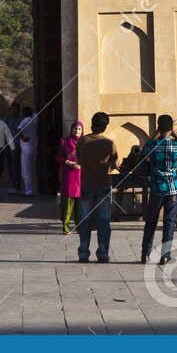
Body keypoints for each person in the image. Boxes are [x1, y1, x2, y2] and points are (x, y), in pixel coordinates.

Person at [140, 114, 177, 265]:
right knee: (169, 222)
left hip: (156, 188)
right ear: (171, 128)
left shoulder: (153, 145)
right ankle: (165, 255)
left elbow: (143, 154)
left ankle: (145, 253)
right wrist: (175, 134)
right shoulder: (176, 144)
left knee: (151, 222)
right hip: (173, 188)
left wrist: (155, 134)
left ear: (159, 128)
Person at [76, 112, 118, 263]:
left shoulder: (82, 141)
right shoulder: (109, 143)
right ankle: (103, 252)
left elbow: (79, 160)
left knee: (85, 220)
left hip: (86, 184)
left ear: (92, 124)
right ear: (105, 126)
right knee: (103, 221)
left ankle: (83, 253)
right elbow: (113, 164)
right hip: (103, 186)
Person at [57, 120, 83, 233]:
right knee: (68, 201)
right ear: (71, 129)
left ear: (82, 131)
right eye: (75, 128)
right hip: (69, 175)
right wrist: (68, 163)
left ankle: (79, 225)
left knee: (80, 203)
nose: (77, 130)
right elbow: (58, 158)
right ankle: (66, 225)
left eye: (79, 129)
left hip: (81, 175)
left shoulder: (84, 142)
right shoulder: (64, 141)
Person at [17, 106, 39, 197]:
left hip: (26, 147)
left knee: (26, 170)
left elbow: (18, 130)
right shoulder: (35, 118)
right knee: (32, 169)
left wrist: (22, 137)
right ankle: (33, 189)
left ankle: (28, 190)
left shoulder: (26, 120)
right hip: (33, 146)